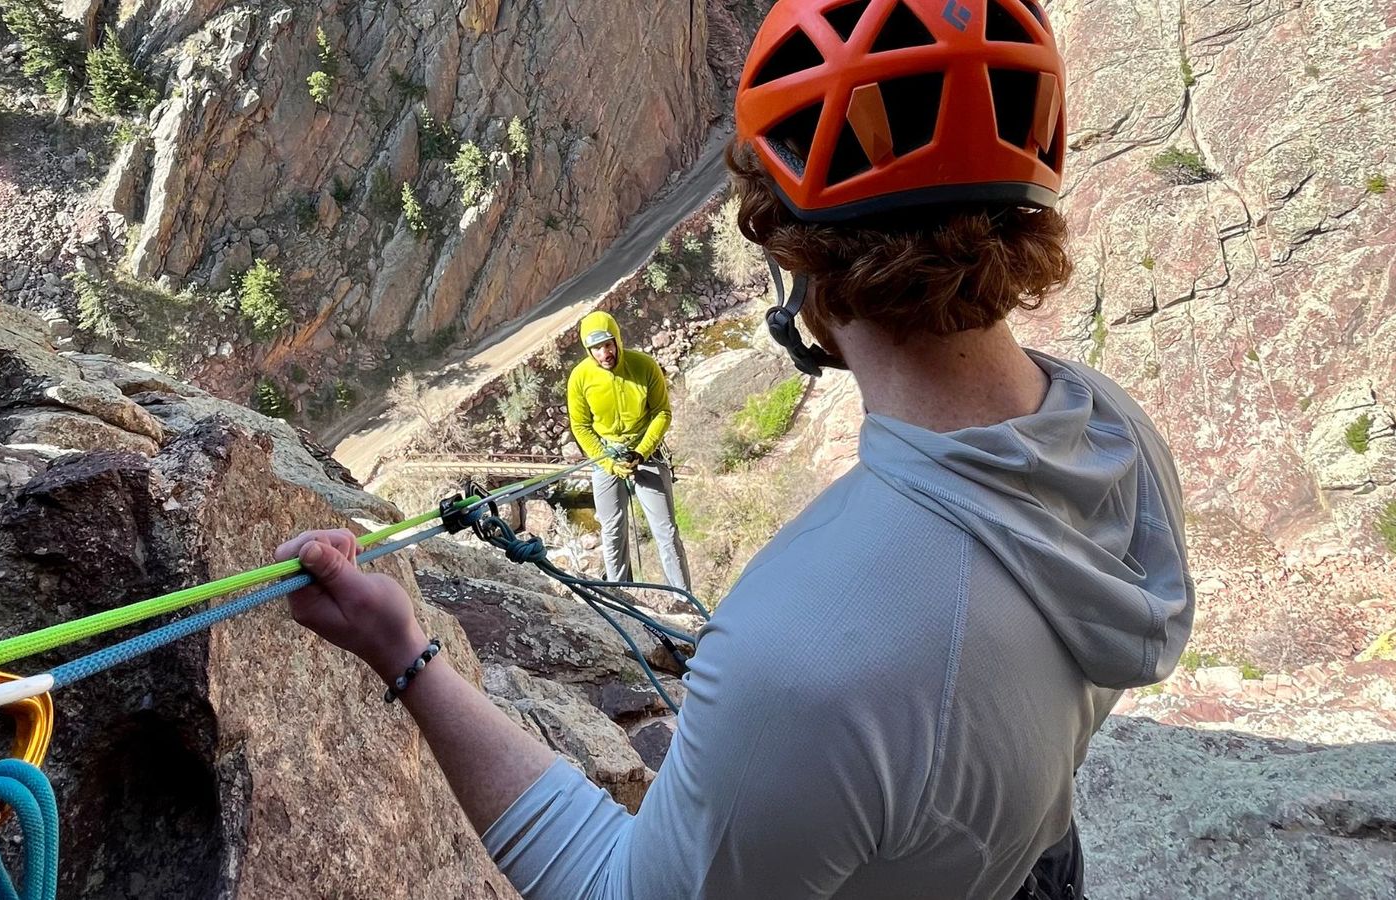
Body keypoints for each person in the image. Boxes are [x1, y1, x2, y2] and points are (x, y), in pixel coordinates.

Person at [277, 1, 1194, 898]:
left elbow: (616, 886)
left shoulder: (809, 654)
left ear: (793, 250)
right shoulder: (1112, 430)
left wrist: (402, 651)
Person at [565, 309, 692, 591]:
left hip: (645, 452)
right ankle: (623, 597)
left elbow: (662, 412)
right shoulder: (580, 378)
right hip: (606, 455)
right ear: (588, 350)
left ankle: (684, 599)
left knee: (666, 532)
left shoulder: (644, 366)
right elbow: (581, 426)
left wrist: (642, 451)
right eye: (597, 348)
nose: (604, 353)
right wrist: (610, 464)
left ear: (618, 341)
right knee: (612, 532)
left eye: (608, 345)